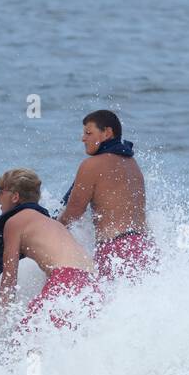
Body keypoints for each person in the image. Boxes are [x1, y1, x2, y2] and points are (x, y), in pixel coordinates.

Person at [0, 169, 98, 328]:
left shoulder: (15, 222)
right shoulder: (49, 222)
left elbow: (9, 277)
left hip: (65, 281)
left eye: (0, 191)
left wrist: (3, 321)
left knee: (22, 340)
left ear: (15, 196)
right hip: (92, 284)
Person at [58, 110, 154, 283]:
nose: (83, 138)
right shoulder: (132, 163)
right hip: (145, 247)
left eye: (88, 133)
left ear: (107, 133)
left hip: (116, 250)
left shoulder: (92, 165)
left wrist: (50, 230)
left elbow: (74, 212)